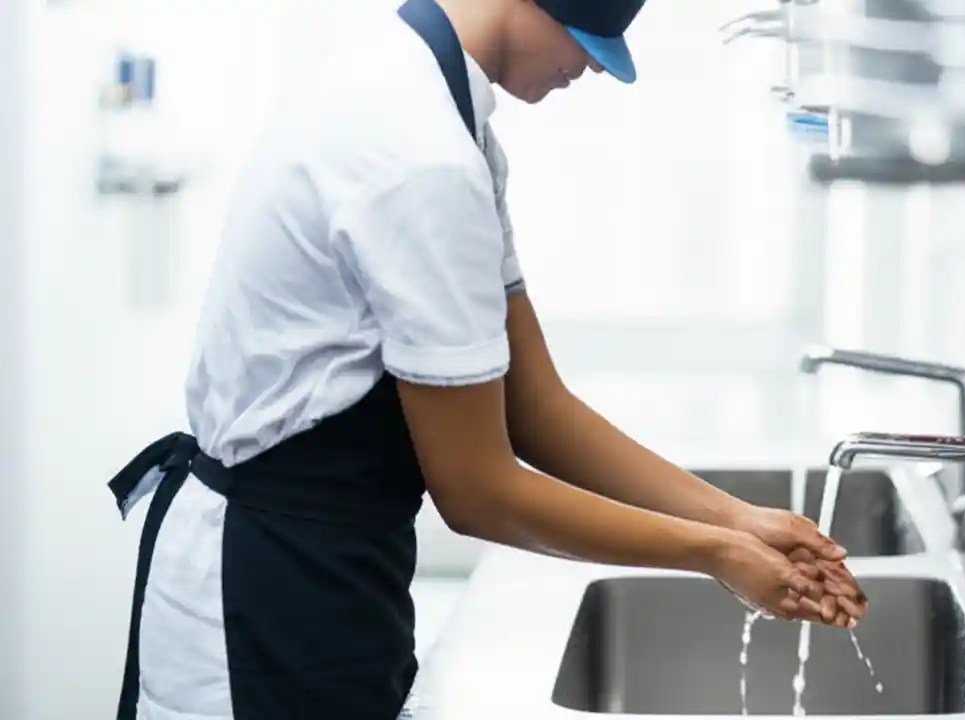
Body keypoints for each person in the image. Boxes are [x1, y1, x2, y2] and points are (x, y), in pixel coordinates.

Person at [106, 0, 868, 718]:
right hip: (263, 599)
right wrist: (714, 554)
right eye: (589, 41)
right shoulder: (417, 153)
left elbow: (534, 407)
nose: (593, 69)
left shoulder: (445, 120)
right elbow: (477, 493)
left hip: (335, 574)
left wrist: (739, 520)